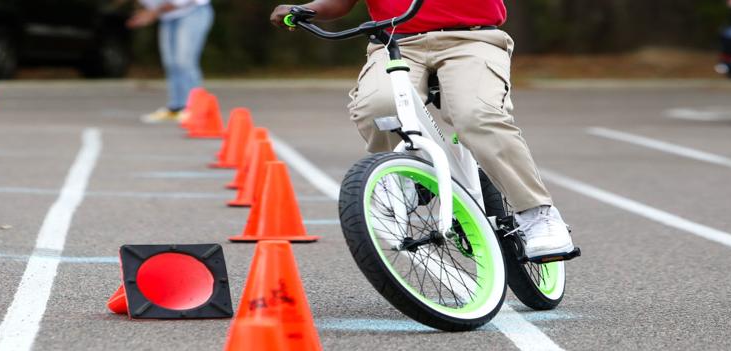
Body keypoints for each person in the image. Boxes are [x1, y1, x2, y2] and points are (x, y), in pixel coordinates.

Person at [267, 0, 575, 260]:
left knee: (476, 115)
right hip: (395, 43)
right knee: (378, 107)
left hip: (472, 40)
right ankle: (406, 181)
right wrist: (303, 9)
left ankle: (537, 213)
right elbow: (337, 4)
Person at [128, 0, 215, 124]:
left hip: (193, 11)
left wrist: (152, 13)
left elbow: (179, 2)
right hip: (168, 17)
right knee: (171, 63)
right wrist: (144, 14)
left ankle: (195, 109)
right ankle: (176, 107)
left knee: (185, 62)